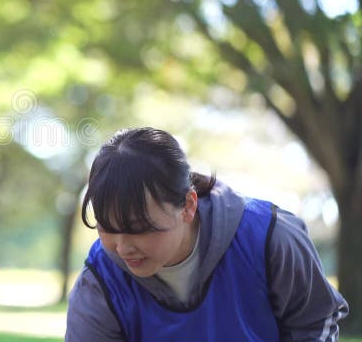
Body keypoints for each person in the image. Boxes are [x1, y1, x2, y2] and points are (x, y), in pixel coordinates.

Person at [66, 127, 348, 341]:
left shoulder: (269, 238)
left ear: (187, 206)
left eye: (139, 228)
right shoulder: (101, 280)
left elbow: (315, 323)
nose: (123, 247)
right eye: (107, 228)